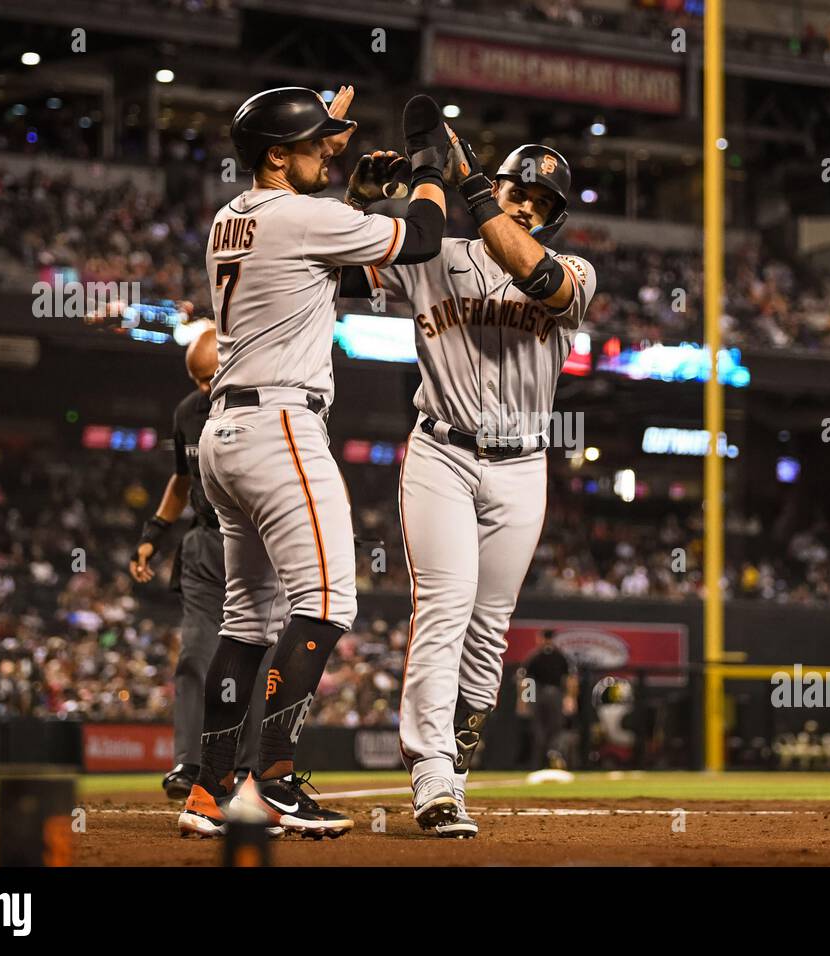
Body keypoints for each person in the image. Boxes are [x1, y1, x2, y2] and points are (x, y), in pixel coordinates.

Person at [176, 85, 448, 839]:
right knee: (328, 602)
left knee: (246, 620)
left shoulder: (232, 218)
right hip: (280, 428)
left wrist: (353, 198)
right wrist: (430, 166)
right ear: (274, 155)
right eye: (314, 144)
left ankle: (210, 788)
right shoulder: (301, 215)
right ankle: (274, 780)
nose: (329, 150)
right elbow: (421, 237)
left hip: (224, 438)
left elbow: (336, 273)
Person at [340, 132, 596, 837]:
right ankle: (430, 774)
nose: (526, 207)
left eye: (542, 203)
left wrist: (472, 185)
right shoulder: (434, 254)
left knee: (488, 635)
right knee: (445, 608)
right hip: (443, 454)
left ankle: (456, 766)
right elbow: (330, 270)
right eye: (521, 190)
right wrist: (360, 201)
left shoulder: (571, 267)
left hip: (523, 465)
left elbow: (542, 282)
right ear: (502, 187)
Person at [130, 326, 281, 799]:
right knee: (195, 654)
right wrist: (152, 535)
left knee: (257, 658)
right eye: (196, 379)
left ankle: (248, 767)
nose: (203, 388)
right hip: (202, 546)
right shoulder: (187, 413)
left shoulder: (269, 408)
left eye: (209, 377)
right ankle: (188, 763)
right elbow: (180, 480)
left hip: (256, 546)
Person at [523, 629, 579, 770]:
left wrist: (526, 700)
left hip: (539, 695)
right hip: (554, 695)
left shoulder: (536, 656)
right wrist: (570, 697)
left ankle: (541, 763)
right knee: (553, 729)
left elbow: (527, 681)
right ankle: (551, 759)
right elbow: (570, 680)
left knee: (541, 730)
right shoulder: (560, 656)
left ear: (541, 638)